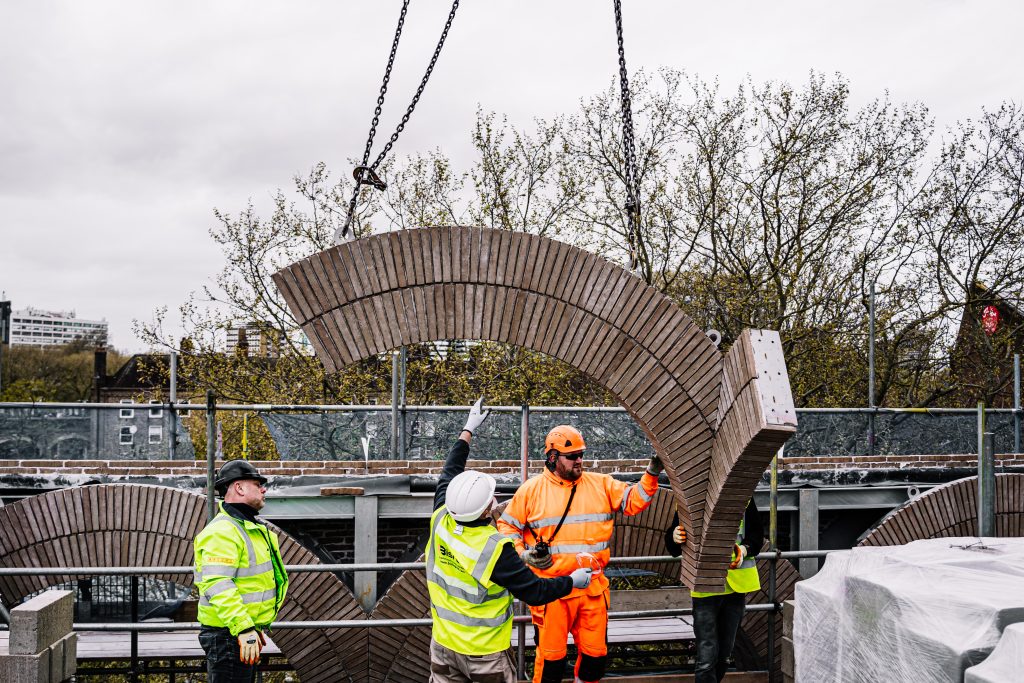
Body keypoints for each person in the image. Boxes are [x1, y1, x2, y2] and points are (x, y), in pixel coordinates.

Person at [428, 398, 594, 683]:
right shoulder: (493, 547)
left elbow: (449, 471)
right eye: (492, 498)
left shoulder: (440, 518)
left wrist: (468, 429)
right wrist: (574, 581)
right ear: (485, 510)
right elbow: (535, 591)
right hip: (483, 654)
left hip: (442, 646)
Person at [497, 425, 663, 683]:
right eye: (572, 456)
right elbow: (507, 527)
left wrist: (652, 472)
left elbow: (634, 500)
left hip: (593, 590)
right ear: (552, 457)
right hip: (553, 592)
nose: (579, 460)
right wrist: (524, 555)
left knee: (595, 659)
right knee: (551, 662)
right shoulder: (531, 490)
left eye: (581, 454)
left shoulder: (601, 484)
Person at [193, 460, 289, 683]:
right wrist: (244, 628)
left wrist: (250, 628)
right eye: (257, 484)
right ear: (239, 487)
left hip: (237, 631)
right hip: (230, 634)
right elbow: (218, 585)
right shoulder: (223, 531)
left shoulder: (246, 528)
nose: (264, 489)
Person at [665, 499, 763, 683]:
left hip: (735, 587)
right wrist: (674, 536)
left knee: (724, 655)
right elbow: (673, 547)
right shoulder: (689, 498)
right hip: (705, 588)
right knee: (706, 657)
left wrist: (744, 549)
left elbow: (756, 536)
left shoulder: (744, 498)